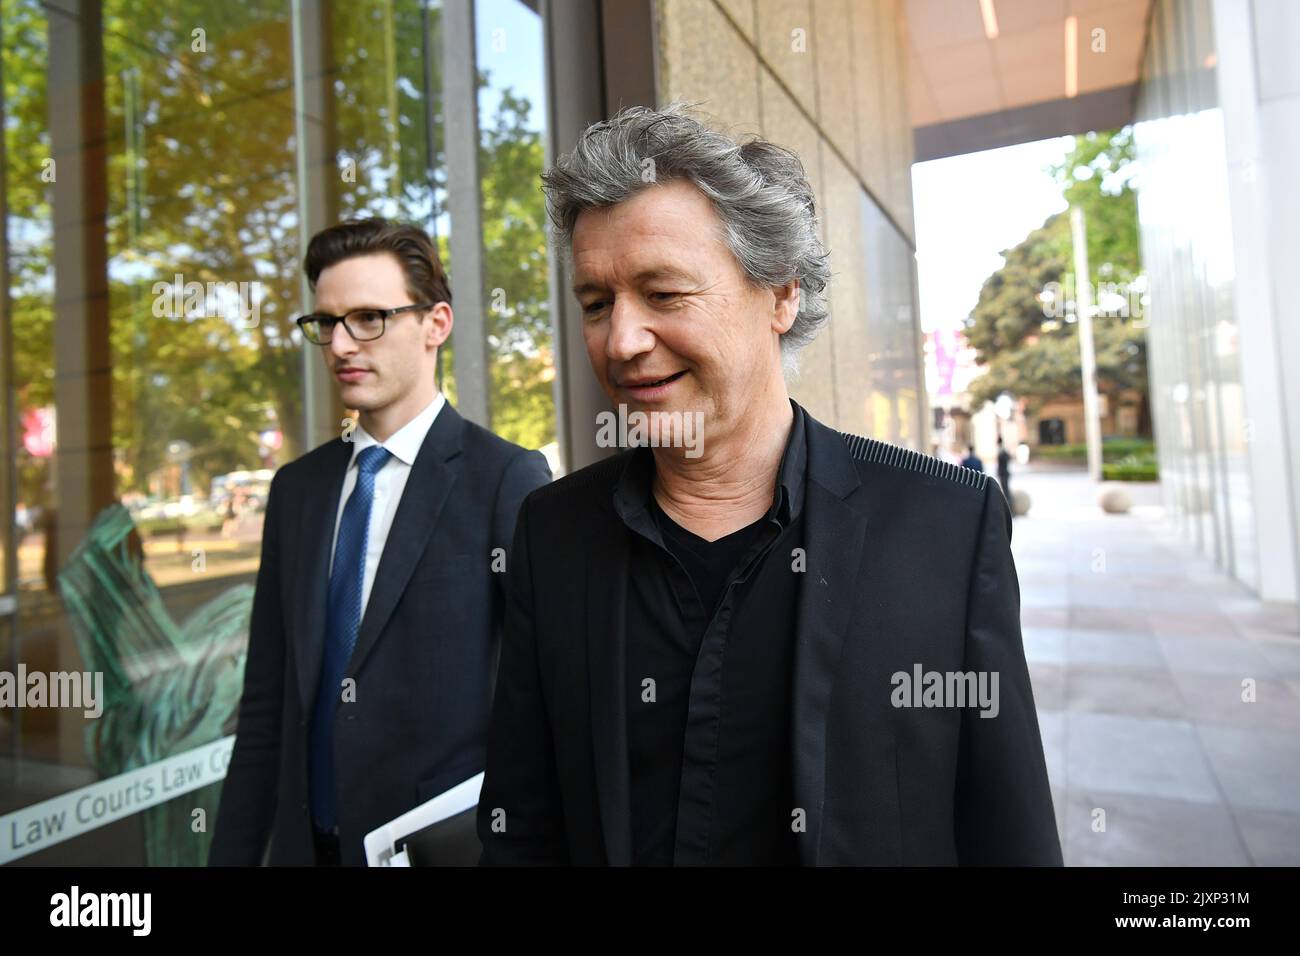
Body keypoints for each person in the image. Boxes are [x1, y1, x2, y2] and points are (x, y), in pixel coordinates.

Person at [477, 105, 1061, 866]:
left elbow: (1007, 830)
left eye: (664, 294)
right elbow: (522, 826)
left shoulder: (945, 526)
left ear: (780, 296)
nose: (621, 341)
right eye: (597, 304)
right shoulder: (551, 532)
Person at [210, 218, 551, 866]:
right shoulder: (296, 491)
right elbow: (265, 709)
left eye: (368, 318)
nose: (341, 344)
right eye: (326, 322)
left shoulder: (505, 478)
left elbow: (544, 704)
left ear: (436, 324)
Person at [997, 434, 1013, 501]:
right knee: (1005, 489)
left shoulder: (1002, 450)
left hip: (1004, 473)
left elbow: (1007, 458)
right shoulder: (1002, 449)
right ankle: (1008, 503)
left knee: (1006, 490)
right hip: (1004, 472)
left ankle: (1009, 505)